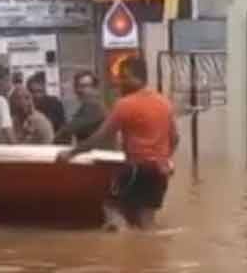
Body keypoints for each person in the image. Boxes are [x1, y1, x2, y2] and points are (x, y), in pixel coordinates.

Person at [57, 57, 179, 231]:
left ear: (137, 77)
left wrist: (71, 153)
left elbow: (100, 137)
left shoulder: (124, 105)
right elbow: (175, 138)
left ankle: (120, 250)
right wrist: (164, 159)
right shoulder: (164, 103)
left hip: (136, 168)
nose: (120, 82)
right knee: (147, 222)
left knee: (111, 208)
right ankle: (150, 253)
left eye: (124, 76)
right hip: (159, 172)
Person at [54, 70, 113, 149]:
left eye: (84, 86)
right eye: (77, 86)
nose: (79, 90)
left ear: (95, 88)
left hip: (99, 155)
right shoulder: (87, 107)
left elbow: (67, 130)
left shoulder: (94, 108)